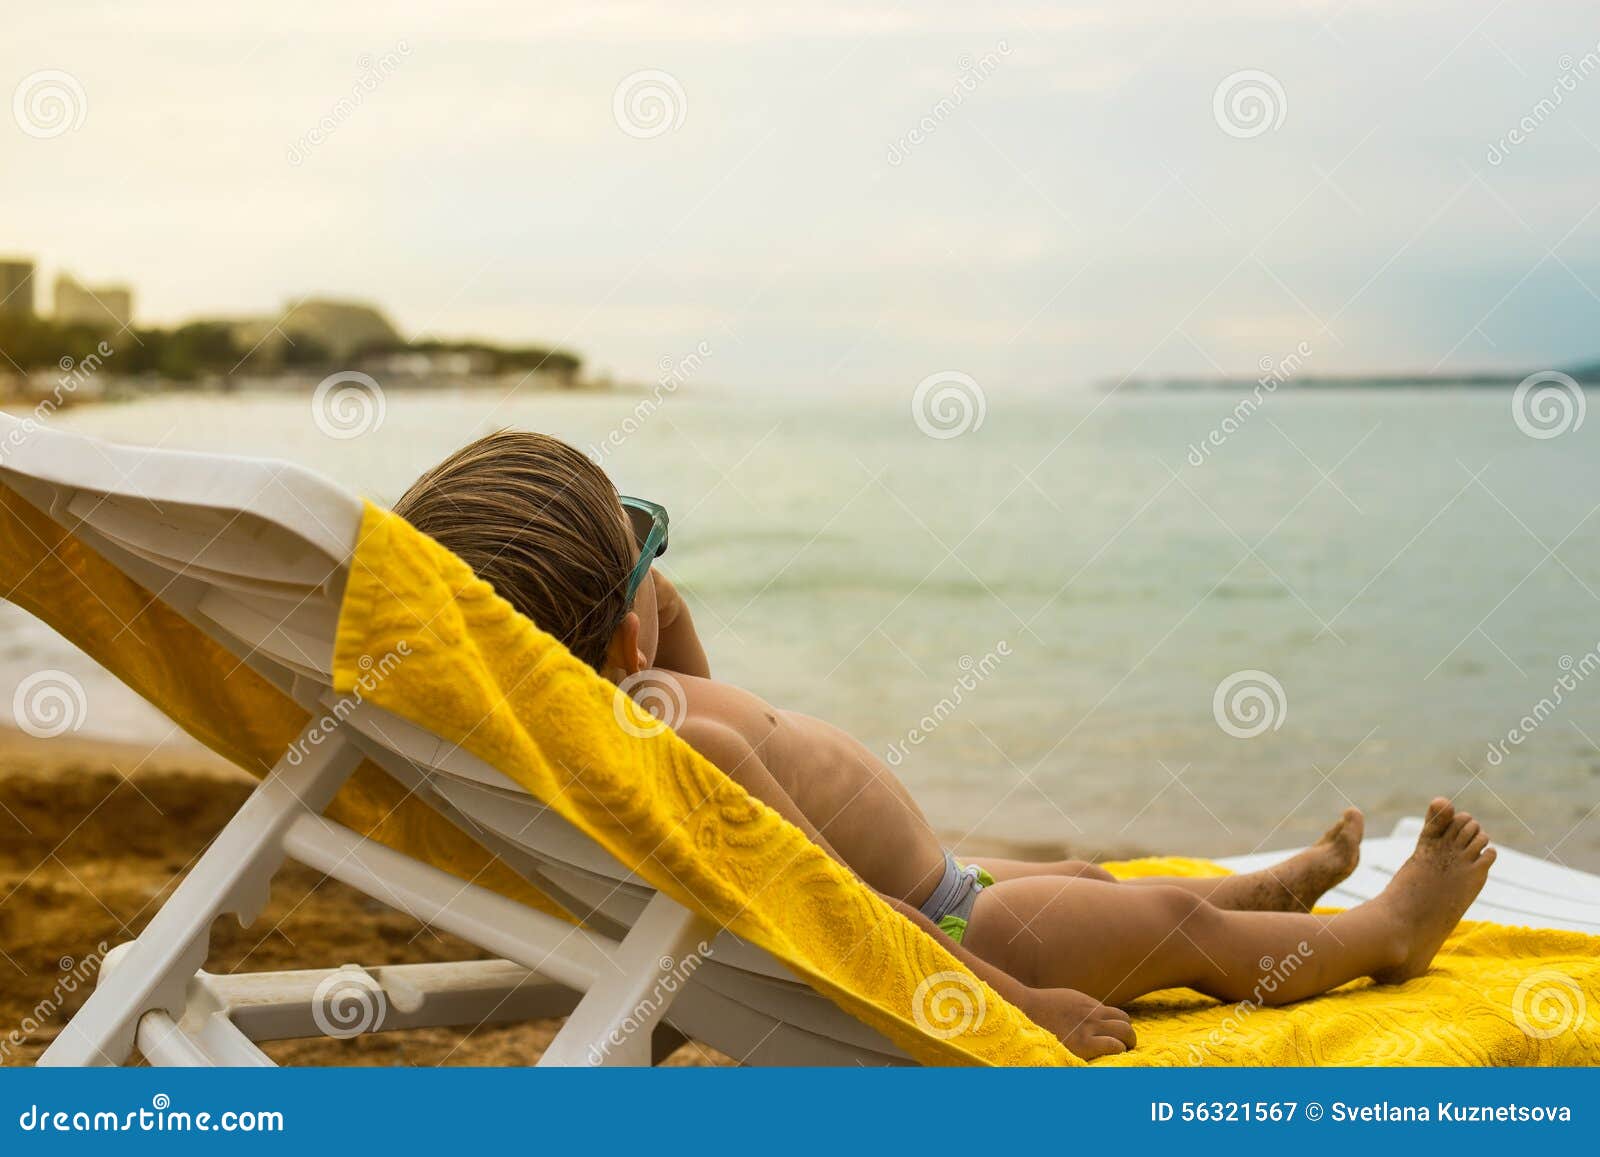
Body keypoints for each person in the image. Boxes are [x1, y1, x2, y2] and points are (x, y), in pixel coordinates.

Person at [394, 430, 1495, 1060]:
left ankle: (1268, 887)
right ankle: (1381, 936)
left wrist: (655, 617)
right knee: (1171, 923)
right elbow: (840, 909)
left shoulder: (631, 720)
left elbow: (700, 689)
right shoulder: (688, 748)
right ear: (625, 630)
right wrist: (1013, 1004)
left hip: (954, 890)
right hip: (945, 936)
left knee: (1087, 877)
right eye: (646, 567)